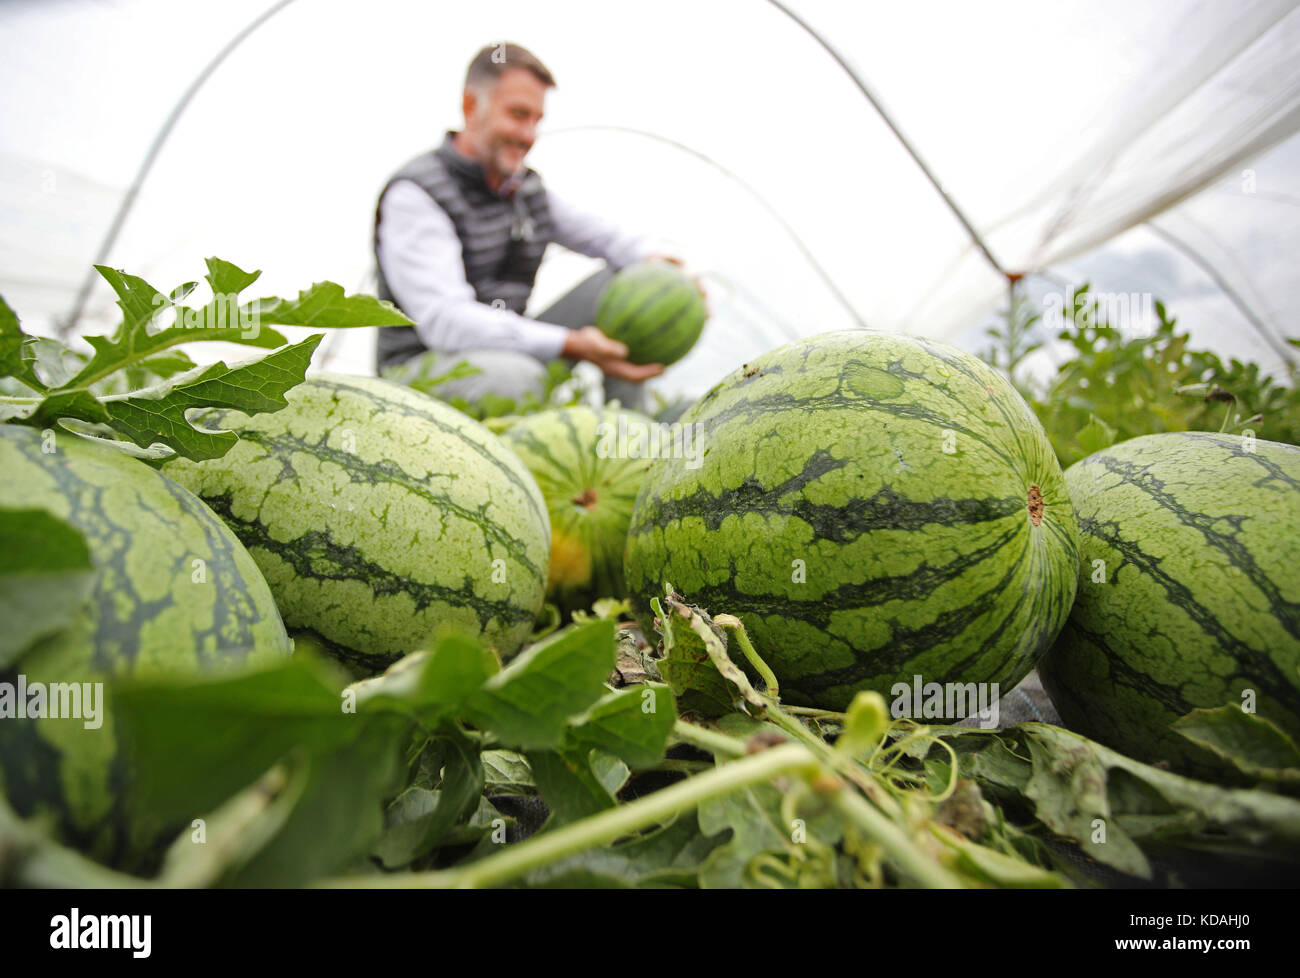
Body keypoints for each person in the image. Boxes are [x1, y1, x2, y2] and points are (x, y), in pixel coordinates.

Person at [372, 42, 695, 410]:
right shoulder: (416, 195)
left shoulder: (524, 191)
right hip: (418, 371)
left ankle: (628, 441)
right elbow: (446, 323)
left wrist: (670, 273)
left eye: (536, 120)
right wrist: (571, 343)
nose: (528, 135)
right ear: (470, 107)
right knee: (517, 379)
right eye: (517, 114)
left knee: (631, 283)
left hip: (506, 352)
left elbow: (610, 239)